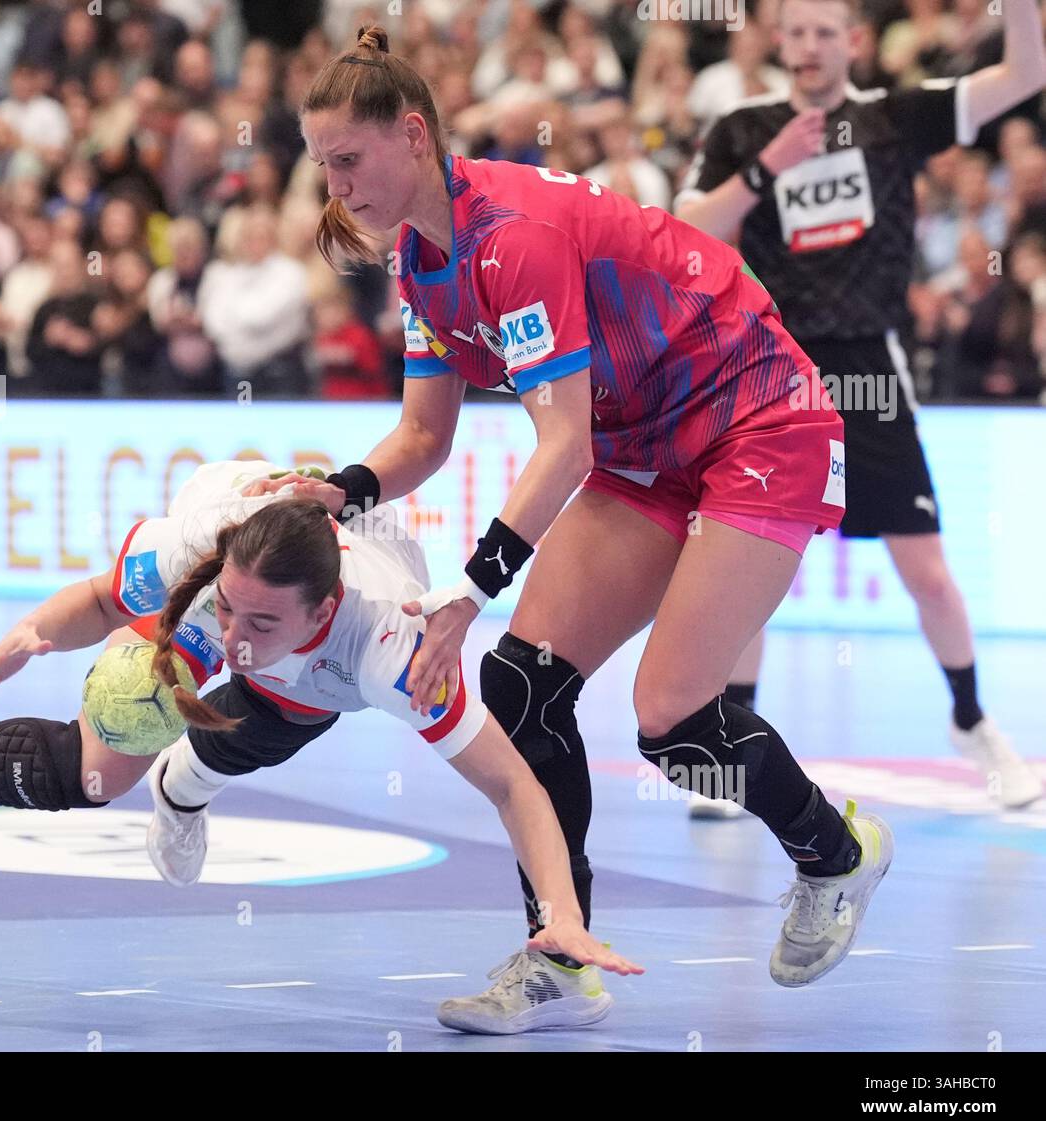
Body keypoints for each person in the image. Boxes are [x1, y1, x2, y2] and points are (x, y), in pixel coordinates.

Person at [290, 24, 893, 1034]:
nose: (337, 186)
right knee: (521, 684)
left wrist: (470, 586)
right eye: (321, 167)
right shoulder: (416, 259)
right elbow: (423, 434)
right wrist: (342, 490)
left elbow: (561, 445)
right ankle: (560, 960)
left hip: (758, 413)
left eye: (348, 160)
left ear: (410, 133)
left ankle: (834, 851)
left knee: (672, 718)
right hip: (645, 437)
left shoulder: (513, 234)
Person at [0, 461, 637, 1028]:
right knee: (94, 769)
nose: (236, 634)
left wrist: (560, 916)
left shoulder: (393, 649)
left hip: (323, 675)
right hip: (248, 545)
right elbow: (95, 597)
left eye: (263, 621)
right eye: (231, 611)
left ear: (323, 611)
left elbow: (515, 788)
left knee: (284, 718)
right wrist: (27, 633)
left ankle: (181, 791)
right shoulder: (209, 555)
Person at [675, 0, 1045, 811]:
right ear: (779, 42)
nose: (809, 47)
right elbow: (679, 228)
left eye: (824, 33)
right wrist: (765, 168)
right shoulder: (745, 128)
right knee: (750, 563)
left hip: (869, 368)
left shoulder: (892, 120)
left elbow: (1026, 76)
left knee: (929, 572)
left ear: (854, 43)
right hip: (773, 365)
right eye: (795, 33)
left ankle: (974, 721)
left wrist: (1019, 11)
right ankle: (732, 740)